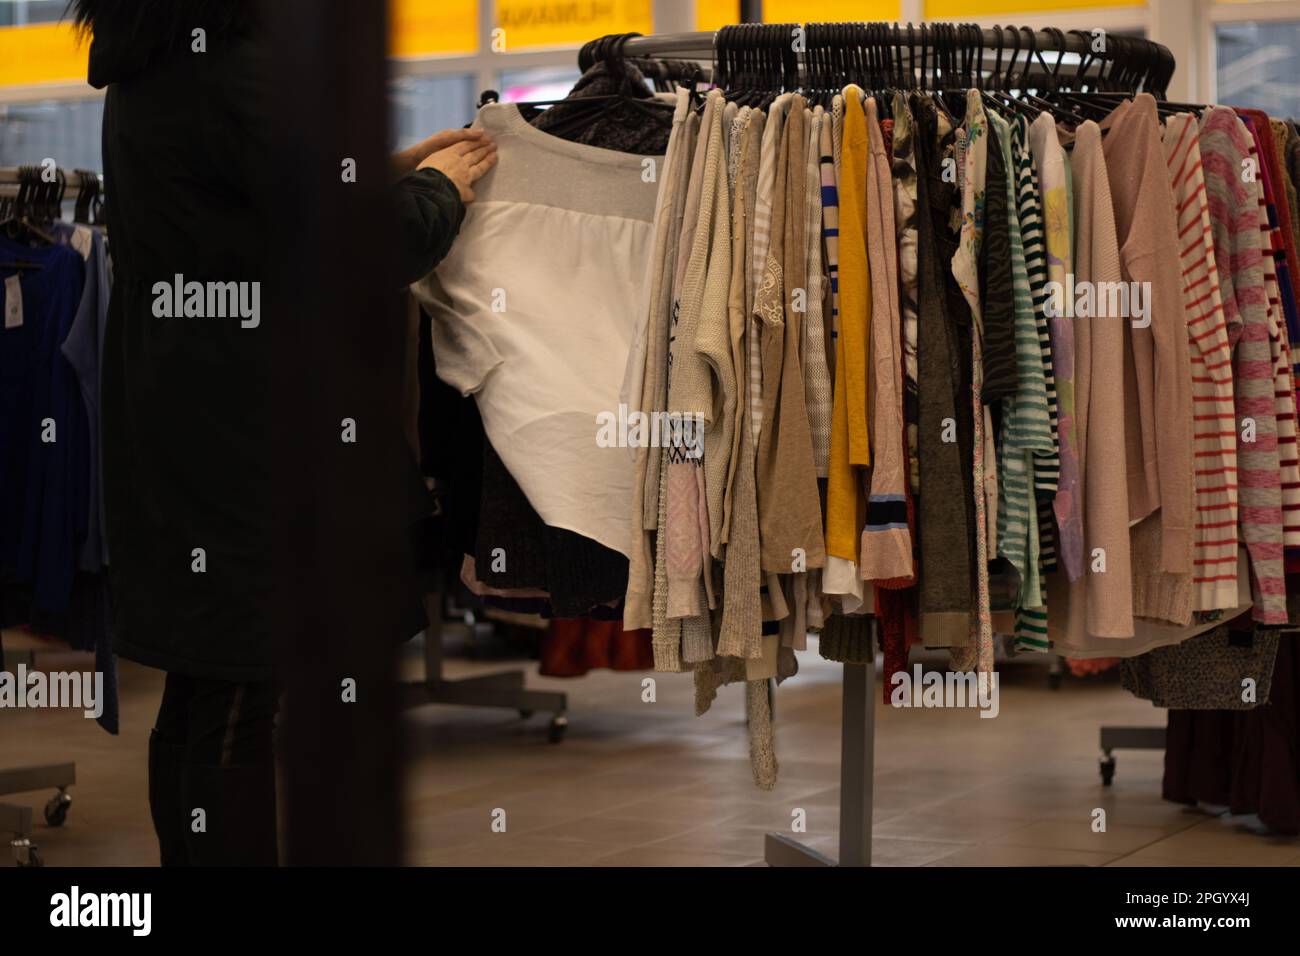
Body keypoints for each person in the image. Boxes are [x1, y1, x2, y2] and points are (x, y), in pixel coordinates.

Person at [72, 0, 495, 865]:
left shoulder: (152, 60)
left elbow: (248, 211)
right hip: (251, 431)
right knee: (240, 691)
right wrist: (436, 194)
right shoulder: (236, 65)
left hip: (178, 412)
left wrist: (390, 166)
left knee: (203, 690)